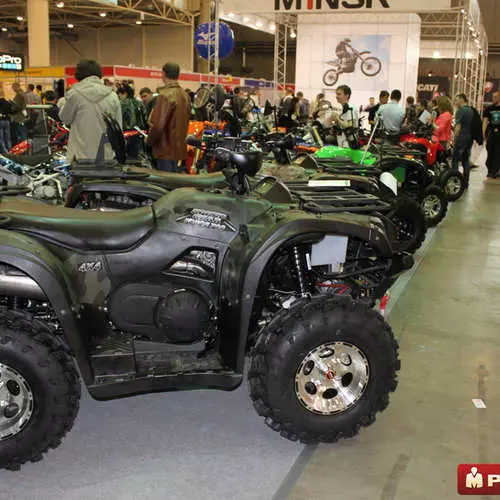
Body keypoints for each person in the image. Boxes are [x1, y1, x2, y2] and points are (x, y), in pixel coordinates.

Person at [60, 58, 122, 163]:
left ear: (78, 74)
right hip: (105, 155)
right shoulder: (112, 96)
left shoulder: (75, 95)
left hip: (80, 157)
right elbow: (118, 128)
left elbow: (65, 119)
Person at [148, 62, 190, 172]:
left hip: (165, 149)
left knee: (166, 184)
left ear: (163, 74)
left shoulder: (164, 95)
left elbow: (158, 126)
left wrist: (149, 140)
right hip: (179, 149)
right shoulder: (185, 95)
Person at [452, 94, 474, 189]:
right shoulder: (472, 110)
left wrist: (454, 140)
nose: (455, 102)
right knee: (465, 160)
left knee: (455, 160)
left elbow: (458, 127)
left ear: (462, 99)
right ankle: (466, 183)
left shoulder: (460, 111)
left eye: (456, 100)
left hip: (461, 137)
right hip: (470, 138)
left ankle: (455, 180)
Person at [483, 91, 500, 178]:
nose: (494, 98)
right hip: (491, 133)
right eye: (493, 97)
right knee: (490, 150)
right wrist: (483, 133)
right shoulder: (489, 108)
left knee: (498, 152)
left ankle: (495, 170)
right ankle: (490, 169)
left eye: (496, 97)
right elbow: (485, 121)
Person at [0, 88, 12, 153]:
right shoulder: (7, 103)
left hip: (0, 121)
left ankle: (4, 151)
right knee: (8, 137)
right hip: (7, 121)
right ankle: (9, 150)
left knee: (1, 138)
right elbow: (11, 111)